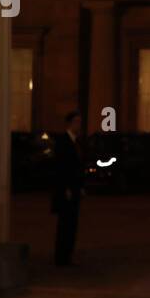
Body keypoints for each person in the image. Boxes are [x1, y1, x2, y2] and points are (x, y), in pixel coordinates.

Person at [51, 111, 85, 266]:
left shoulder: (76, 142)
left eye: (80, 121)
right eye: (76, 122)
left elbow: (78, 167)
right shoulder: (63, 142)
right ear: (70, 123)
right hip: (66, 191)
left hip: (75, 189)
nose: (79, 125)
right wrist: (66, 188)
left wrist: (81, 187)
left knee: (72, 224)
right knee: (65, 224)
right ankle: (61, 257)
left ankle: (67, 255)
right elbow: (61, 168)